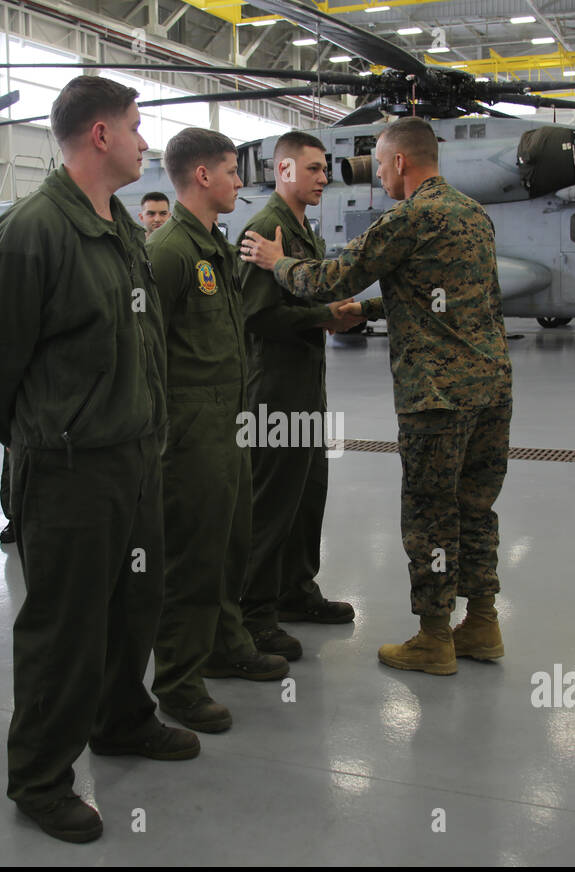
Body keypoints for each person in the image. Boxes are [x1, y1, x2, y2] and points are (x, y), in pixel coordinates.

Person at [0, 76, 199, 845]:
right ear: (100, 135)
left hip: (132, 458)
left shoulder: (119, 223)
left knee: (133, 605)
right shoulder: (34, 230)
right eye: (135, 126)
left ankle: (121, 719)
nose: (143, 140)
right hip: (68, 469)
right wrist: (41, 431)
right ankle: (38, 777)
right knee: (64, 627)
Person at [241, 116, 512, 676]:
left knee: (431, 515)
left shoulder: (408, 218)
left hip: (436, 395)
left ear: (400, 163)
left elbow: (331, 277)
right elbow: (447, 294)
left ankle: (434, 638)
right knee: (476, 510)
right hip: (491, 389)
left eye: (379, 164)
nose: (376, 176)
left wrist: (277, 262)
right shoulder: (474, 215)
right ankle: (482, 622)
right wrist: (362, 313)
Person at [146, 128, 290, 734]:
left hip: (228, 420)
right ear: (202, 176)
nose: (239, 181)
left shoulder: (214, 245)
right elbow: (148, 350)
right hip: (190, 430)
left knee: (232, 542)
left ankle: (226, 644)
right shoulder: (170, 251)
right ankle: (178, 681)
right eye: (232, 170)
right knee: (192, 557)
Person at [236, 131, 357, 655]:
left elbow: (309, 293)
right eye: (312, 168)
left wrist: (334, 311)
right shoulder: (265, 228)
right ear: (283, 169)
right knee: (272, 501)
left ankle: (295, 590)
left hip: (307, 385)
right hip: (274, 391)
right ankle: (253, 611)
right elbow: (258, 315)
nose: (323, 177)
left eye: (324, 168)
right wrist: (326, 315)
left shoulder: (301, 229)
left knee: (308, 494)